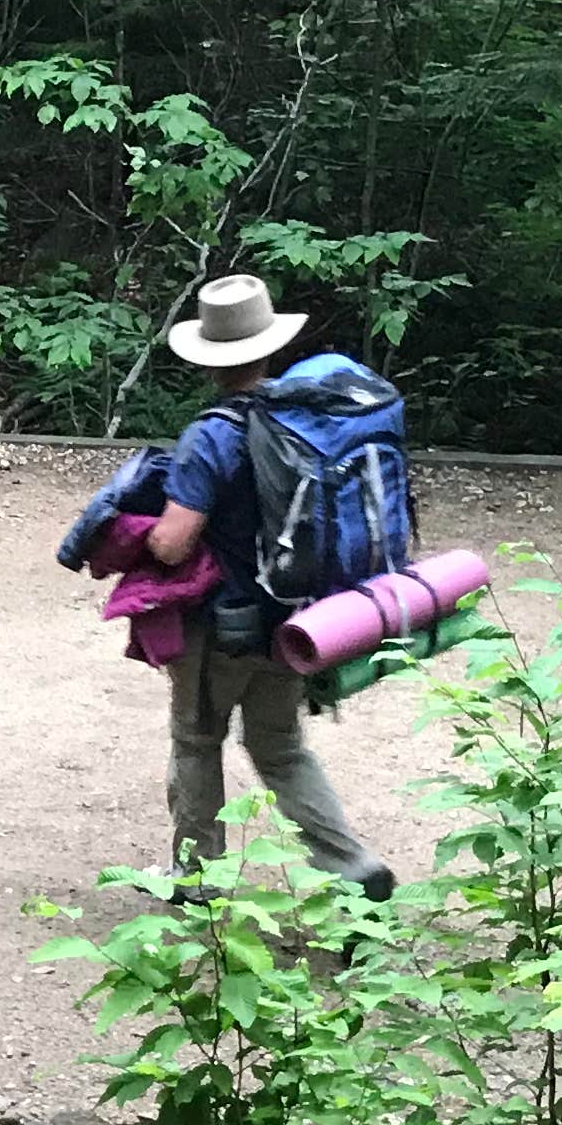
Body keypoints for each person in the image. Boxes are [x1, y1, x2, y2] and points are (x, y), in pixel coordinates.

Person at [142, 275, 397, 897]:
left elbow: (173, 542)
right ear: (268, 346)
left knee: (198, 739)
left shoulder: (213, 434)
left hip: (224, 625)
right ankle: (353, 868)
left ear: (207, 358)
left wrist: (140, 533)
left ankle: (197, 878)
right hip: (300, 621)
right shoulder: (306, 415)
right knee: (280, 748)